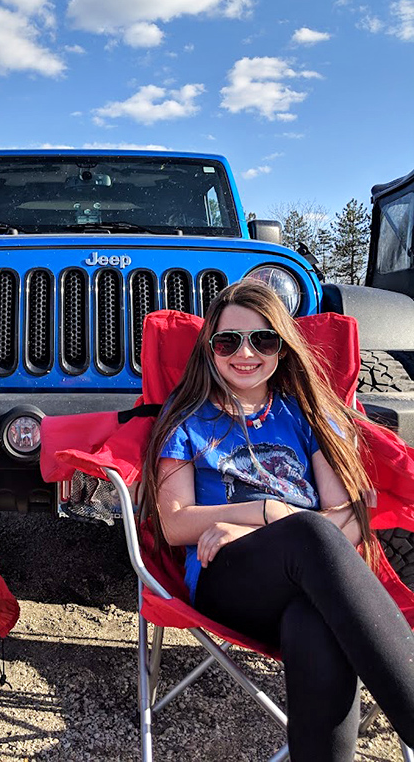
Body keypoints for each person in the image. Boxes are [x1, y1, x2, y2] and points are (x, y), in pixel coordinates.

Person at [144, 279, 414, 761]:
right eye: (228, 341)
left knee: (314, 622)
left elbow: (353, 517)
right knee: (309, 529)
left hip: (311, 582)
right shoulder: (186, 417)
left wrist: (273, 528)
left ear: (283, 348)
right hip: (225, 578)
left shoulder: (307, 414)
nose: (245, 353)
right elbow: (175, 524)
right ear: (209, 349)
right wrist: (265, 513)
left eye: (263, 339)